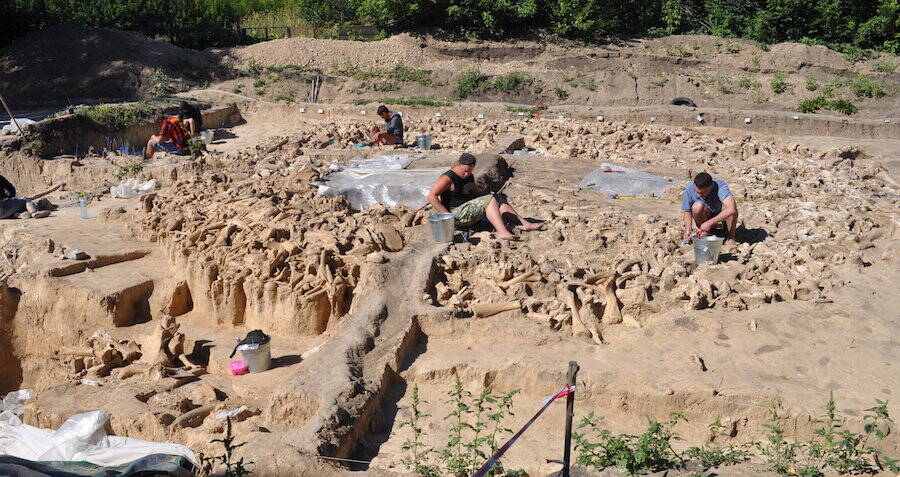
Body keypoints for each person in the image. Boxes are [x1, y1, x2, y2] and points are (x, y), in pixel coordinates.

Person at [427, 153, 541, 240]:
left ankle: (525, 224)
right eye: (465, 171)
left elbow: (475, 193)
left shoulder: (469, 176)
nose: (467, 174)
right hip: (456, 214)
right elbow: (432, 196)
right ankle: (502, 232)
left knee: (498, 198)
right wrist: (445, 214)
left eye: (470, 171)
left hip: (467, 209)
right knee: (489, 200)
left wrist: (494, 196)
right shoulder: (448, 178)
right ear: (458, 164)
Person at [681, 172, 738, 245]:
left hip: (719, 215)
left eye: (702, 193)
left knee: (731, 210)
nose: (698, 195)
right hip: (704, 214)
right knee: (697, 206)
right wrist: (688, 230)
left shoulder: (720, 186)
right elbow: (687, 211)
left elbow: (731, 209)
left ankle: (730, 238)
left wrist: (709, 223)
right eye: (697, 192)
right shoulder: (690, 187)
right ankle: (706, 232)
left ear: (710, 187)